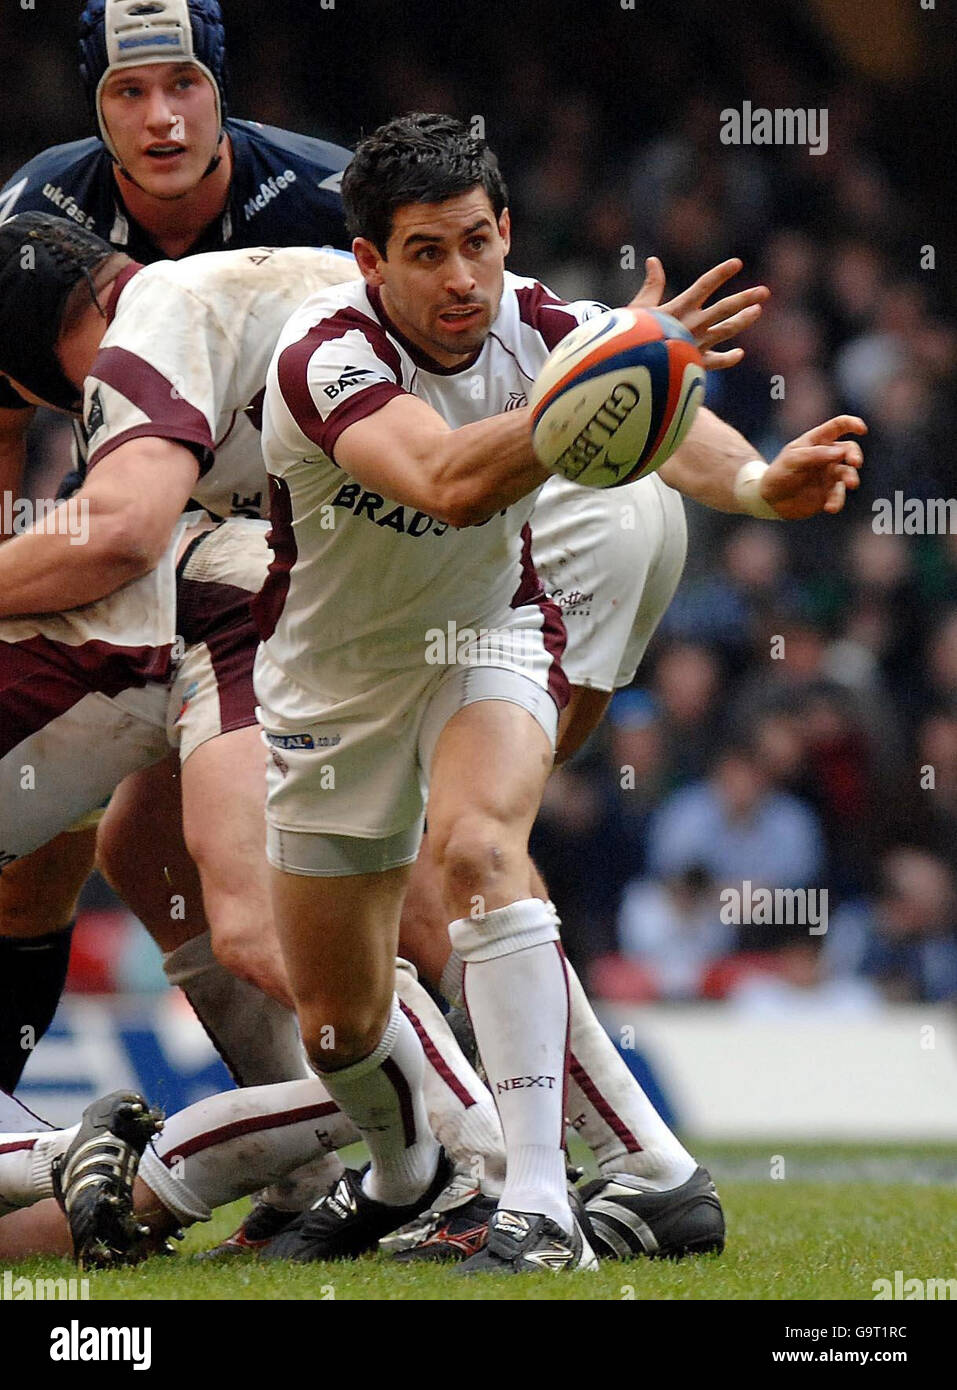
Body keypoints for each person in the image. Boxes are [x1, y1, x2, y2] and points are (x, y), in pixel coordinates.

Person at [248, 112, 861, 1274]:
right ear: (371, 262)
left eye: (479, 241)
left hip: (489, 634)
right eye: (426, 251)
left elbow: (668, 430)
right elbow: (443, 480)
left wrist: (759, 478)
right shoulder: (325, 355)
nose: (463, 276)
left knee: (480, 852)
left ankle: (537, 1205)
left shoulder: (532, 321)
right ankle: (400, 1171)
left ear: (507, 230)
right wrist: (605, 381)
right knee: (338, 1019)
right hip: (334, 684)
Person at [0, 0, 354, 1081]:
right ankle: (309, 1149)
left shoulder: (326, 201)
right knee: (80, 846)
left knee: (387, 863)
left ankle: (502, 1141)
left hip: (336, 543)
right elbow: (7, 420)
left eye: (184, 84)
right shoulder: (32, 215)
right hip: (159, 543)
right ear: (94, 107)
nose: (161, 119)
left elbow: (486, 332)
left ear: (222, 88)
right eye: (128, 92)